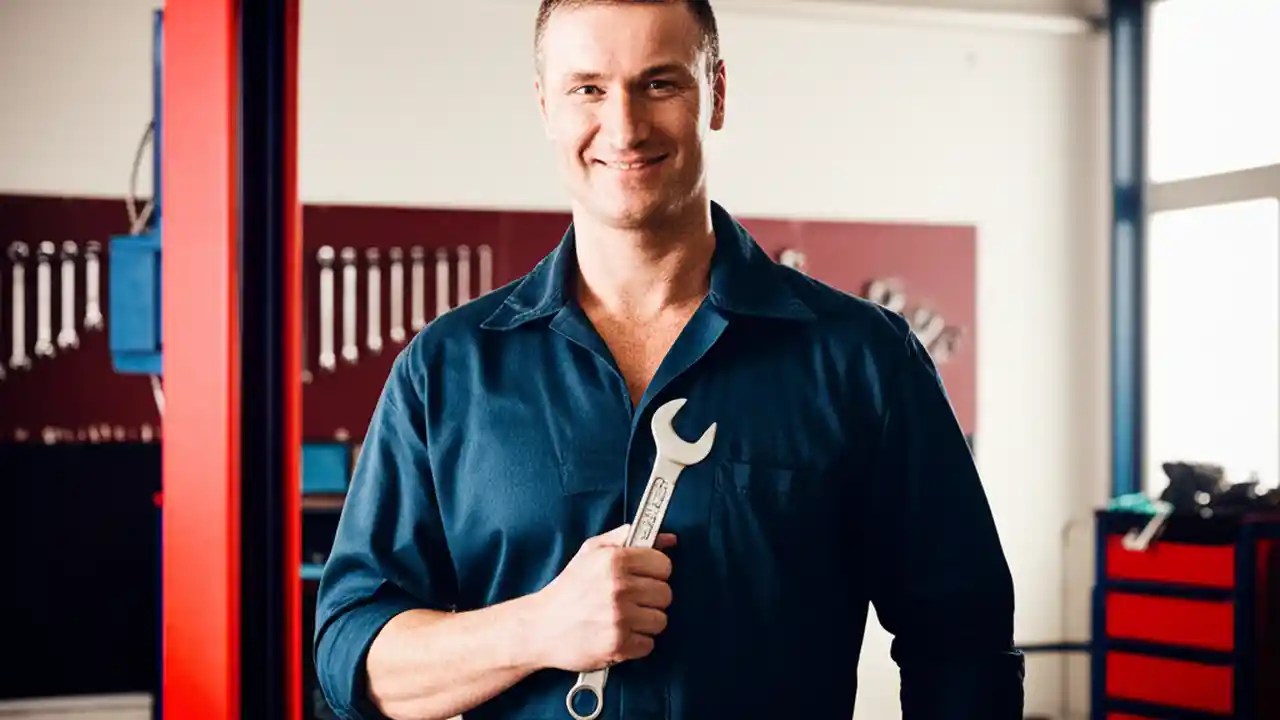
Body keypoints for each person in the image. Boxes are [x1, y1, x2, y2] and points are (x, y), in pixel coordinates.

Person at [313, 1, 1024, 718]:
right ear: (545, 106)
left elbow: (963, 647)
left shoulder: (865, 361)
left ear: (716, 92)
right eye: (587, 88)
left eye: (660, 83)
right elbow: (352, 657)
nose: (623, 126)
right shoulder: (446, 371)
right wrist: (537, 629)